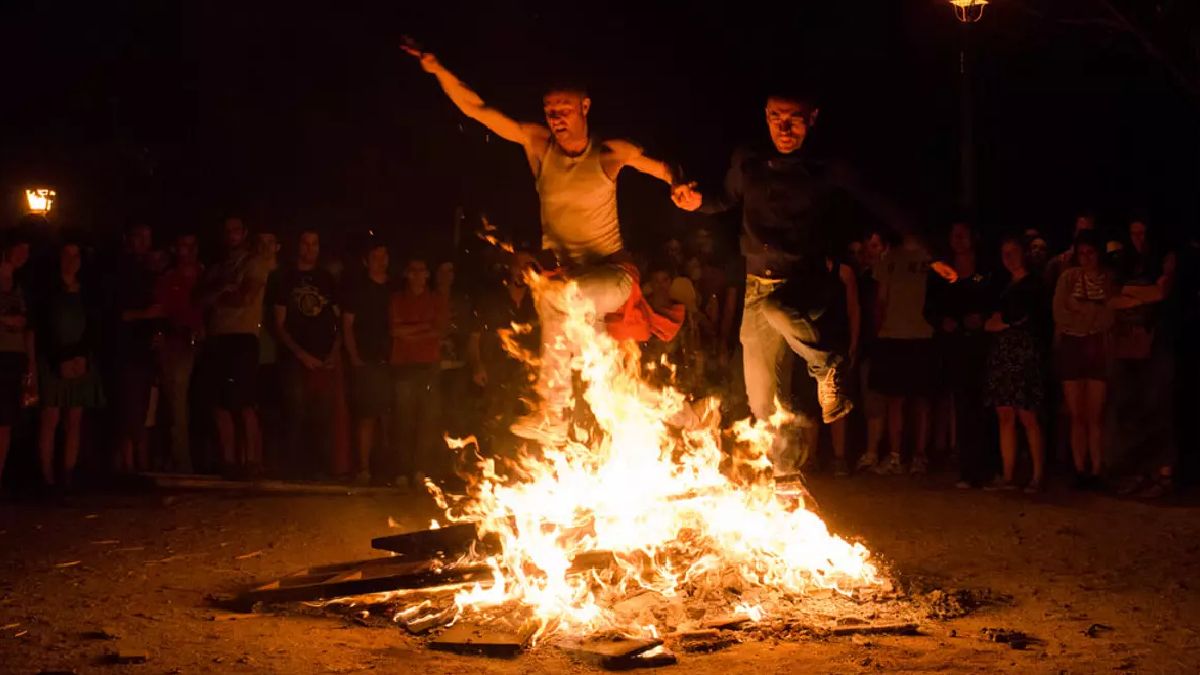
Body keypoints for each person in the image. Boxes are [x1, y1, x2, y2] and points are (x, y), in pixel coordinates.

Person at [403, 41, 683, 444]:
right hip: (573, 286)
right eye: (550, 110)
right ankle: (694, 419)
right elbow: (478, 109)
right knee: (615, 383)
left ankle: (553, 414)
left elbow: (662, 166)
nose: (555, 117)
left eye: (564, 108)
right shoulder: (538, 144)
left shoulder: (608, 153)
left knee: (555, 296)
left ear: (585, 107)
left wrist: (679, 185)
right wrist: (438, 70)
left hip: (613, 278)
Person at [673, 87, 944, 475]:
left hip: (807, 282)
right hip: (756, 287)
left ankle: (828, 366)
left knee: (778, 308)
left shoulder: (825, 167)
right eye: (775, 118)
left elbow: (880, 202)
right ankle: (784, 478)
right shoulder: (749, 161)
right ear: (765, 116)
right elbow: (724, 199)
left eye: (794, 119)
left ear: (812, 118)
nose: (783, 129)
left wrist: (929, 250)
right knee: (762, 402)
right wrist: (696, 202)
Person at [195, 216, 270, 477]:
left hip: (242, 337)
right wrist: (222, 290)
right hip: (217, 338)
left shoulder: (253, 263)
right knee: (219, 403)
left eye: (236, 230)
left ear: (244, 232)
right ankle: (228, 461)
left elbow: (245, 298)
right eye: (227, 230)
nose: (232, 234)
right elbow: (200, 299)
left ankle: (252, 461)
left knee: (244, 402)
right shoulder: (216, 268)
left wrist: (219, 294)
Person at [1108, 219, 1177, 498]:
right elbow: (1111, 298)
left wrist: (1130, 292)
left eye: (1143, 233)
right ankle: (1139, 472)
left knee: (1159, 407)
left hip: (1158, 343)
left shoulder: (1166, 259)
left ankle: (1163, 473)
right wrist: (1141, 296)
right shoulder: (1126, 262)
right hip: (1130, 345)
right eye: (1134, 233)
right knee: (1134, 409)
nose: (1139, 239)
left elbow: (1161, 292)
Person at [925, 222, 992, 487]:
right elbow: (929, 308)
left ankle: (989, 467)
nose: (959, 239)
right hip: (953, 347)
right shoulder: (941, 271)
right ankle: (967, 469)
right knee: (962, 405)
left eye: (964, 235)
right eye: (955, 235)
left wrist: (983, 318)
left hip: (983, 345)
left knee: (985, 406)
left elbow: (997, 300)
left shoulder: (986, 270)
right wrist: (943, 321)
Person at [867, 232, 939, 476]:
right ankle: (896, 455)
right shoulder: (888, 259)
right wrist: (878, 332)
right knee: (894, 400)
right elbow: (881, 299)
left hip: (923, 335)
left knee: (922, 400)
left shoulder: (931, 257)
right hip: (892, 336)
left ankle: (920, 456)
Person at [271, 229, 340, 479]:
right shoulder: (285, 277)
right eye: (305, 243)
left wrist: (334, 352)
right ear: (298, 246)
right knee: (295, 411)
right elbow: (279, 324)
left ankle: (319, 470)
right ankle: (292, 470)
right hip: (295, 357)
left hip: (323, 357)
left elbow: (339, 319)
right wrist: (301, 355)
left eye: (314, 244)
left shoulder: (327, 278)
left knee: (321, 414)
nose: (310, 249)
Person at [36, 242, 104, 490]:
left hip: (79, 360)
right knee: (50, 418)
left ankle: (68, 474)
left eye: (76, 256)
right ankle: (46, 477)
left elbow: (94, 326)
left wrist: (81, 355)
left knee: (74, 419)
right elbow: (43, 328)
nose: (71, 260)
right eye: (67, 254)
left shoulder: (87, 292)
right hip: (54, 361)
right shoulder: (48, 291)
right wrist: (60, 358)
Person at [982, 236, 1047, 493]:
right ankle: (1008, 475)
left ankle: (1037, 475)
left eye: (1013, 252)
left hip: (1023, 353)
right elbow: (991, 321)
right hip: (1003, 352)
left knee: (1027, 413)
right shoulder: (1004, 286)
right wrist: (999, 323)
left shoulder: (1034, 285)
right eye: (1004, 253)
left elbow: (1023, 318)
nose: (1008, 258)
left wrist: (1004, 323)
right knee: (1005, 413)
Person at [1052, 231, 1114, 488]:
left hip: (1097, 346)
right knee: (1076, 414)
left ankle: (1097, 469)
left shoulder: (1108, 279)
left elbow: (1108, 316)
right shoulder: (1068, 278)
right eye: (1082, 253)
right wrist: (1090, 313)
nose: (1086, 258)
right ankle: (1080, 469)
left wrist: (1080, 309)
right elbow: (1059, 311)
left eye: (1091, 253)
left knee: (1095, 415)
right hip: (1072, 346)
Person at [468, 250, 540, 458]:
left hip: (527, 374)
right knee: (495, 422)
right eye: (519, 266)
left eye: (528, 266)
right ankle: (492, 467)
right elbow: (474, 337)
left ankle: (519, 468)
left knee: (524, 424)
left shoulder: (537, 300)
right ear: (510, 268)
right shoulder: (491, 298)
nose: (523, 272)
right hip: (495, 371)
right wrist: (477, 365)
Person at [390, 256, 449, 487]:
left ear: (427, 274)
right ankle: (402, 471)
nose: (417, 275)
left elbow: (439, 331)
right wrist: (424, 327)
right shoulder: (397, 299)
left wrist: (409, 331)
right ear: (407, 274)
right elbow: (395, 331)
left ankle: (420, 470)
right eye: (413, 271)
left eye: (421, 270)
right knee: (403, 420)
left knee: (427, 420)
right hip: (404, 366)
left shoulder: (436, 300)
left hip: (428, 366)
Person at [110, 224, 162, 474]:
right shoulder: (121, 271)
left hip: (144, 352)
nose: (144, 242)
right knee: (129, 408)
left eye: (147, 237)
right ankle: (129, 466)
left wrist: (156, 331)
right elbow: (115, 313)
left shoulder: (148, 273)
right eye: (139, 236)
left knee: (140, 408)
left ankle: (134, 465)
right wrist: (144, 314)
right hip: (126, 351)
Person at [342, 239, 393, 485]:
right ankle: (364, 468)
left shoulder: (395, 287)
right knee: (367, 416)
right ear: (366, 261)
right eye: (375, 257)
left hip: (392, 361)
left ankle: (387, 469)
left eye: (384, 256)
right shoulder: (358, 289)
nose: (380, 262)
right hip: (366, 360)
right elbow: (347, 325)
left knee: (389, 417)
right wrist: (354, 357)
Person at [154, 232, 205, 473]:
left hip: (205, 344)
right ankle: (182, 461)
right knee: (177, 403)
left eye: (193, 245)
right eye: (184, 245)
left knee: (203, 402)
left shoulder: (206, 275)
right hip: (178, 345)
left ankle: (205, 457)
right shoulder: (168, 279)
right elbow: (162, 311)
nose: (189, 250)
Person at [0, 236, 33, 487]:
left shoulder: (20, 285)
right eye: (19, 249)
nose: (23, 256)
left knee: (6, 422)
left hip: (14, 356)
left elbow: (26, 325)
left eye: (27, 251)